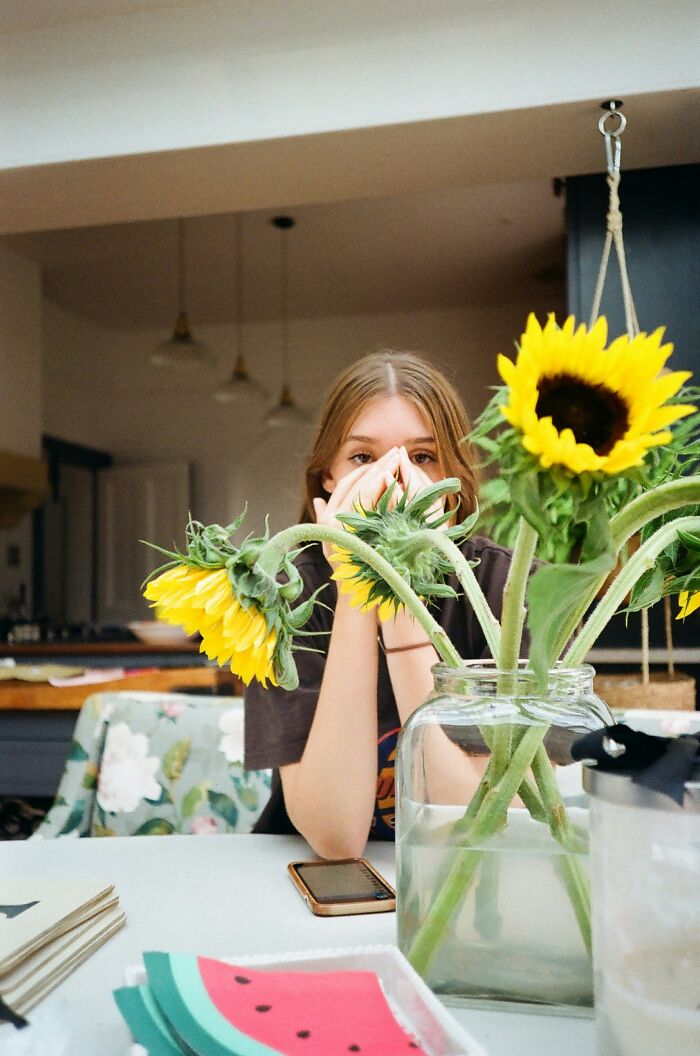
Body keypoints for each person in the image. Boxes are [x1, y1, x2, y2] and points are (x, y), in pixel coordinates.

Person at [244, 350, 521, 858]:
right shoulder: (282, 596)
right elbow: (336, 839)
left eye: (421, 458)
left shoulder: (506, 585)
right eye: (364, 458)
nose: (393, 484)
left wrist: (401, 596)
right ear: (328, 476)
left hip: (456, 880)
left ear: (454, 477)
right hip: (307, 885)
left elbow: (470, 820)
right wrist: (357, 585)